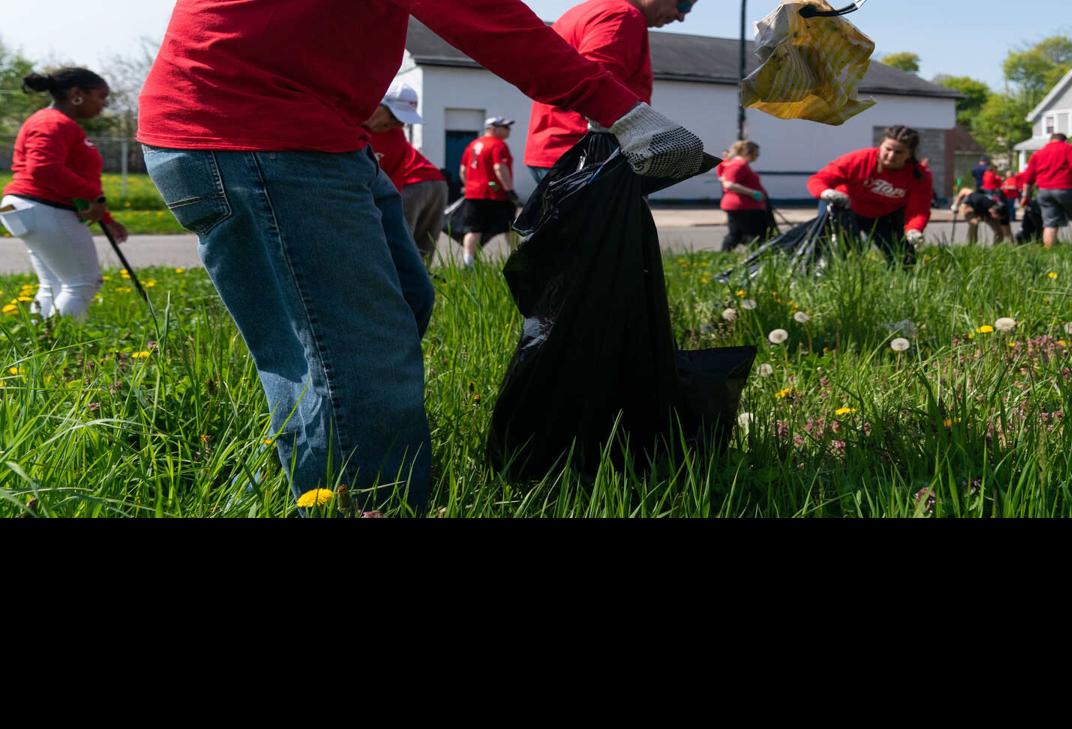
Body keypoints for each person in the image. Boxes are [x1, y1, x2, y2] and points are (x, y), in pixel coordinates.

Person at [137, 0, 706, 514]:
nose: (681, 15)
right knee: (358, 350)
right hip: (254, 131)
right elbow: (481, 13)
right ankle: (366, 504)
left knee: (393, 308)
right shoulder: (618, 16)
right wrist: (620, 108)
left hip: (317, 132)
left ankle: (324, 476)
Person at [0, 67, 128, 321]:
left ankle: (39, 341)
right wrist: (95, 197)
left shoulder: (56, 123)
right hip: (43, 207)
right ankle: (62, 348)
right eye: (101, 96)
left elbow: (74, 178)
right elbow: (44, 169)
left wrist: (106, 217)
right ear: (77, 94)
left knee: (54, 284)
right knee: (83, 282)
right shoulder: (53, 123)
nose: (103, 105)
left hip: (31, 208)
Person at [525, 0, 697, 188]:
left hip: (557, 152)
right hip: (587, 160)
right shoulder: (622, 16)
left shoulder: (590, 10)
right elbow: (597, 88)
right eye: (684, 6)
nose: (681, 17)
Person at [807, 125, 932, 268]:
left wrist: (914, 229)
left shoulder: (919, 176)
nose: (891, 156)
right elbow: (818, 179)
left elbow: (918, 210)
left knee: (904, 258)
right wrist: (826, 192)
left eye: (899, 152)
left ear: (909, 154)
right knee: (843, 253)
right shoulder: (860, 159)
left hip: (885, 215)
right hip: (845, 207)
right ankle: (819, 273)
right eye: (888, 149)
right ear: (881, 146)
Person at [363, 82, 448, 265]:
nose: (398, 123)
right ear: (375, 103)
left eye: (403, 120)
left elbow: (392, 183)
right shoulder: (347, 129)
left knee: (407, 243)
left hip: (419, 183)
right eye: (394, 116)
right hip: (427, 182)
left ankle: (416, 284)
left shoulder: (396, 136)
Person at [1016, 133, 1072, 247]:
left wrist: (1025, 197)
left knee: (1050, 224)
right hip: (1067, 189)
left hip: (1044, 191)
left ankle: (1050, 252)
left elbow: (1028, 178)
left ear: (1050, 140)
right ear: (1064, 140)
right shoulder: (1069, 149)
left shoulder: (1038, 153)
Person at [460, 116, 517, 267]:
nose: (508, 130)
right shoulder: (498, 145)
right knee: (510, 228)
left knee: (474, 229)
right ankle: (518, 261)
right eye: (505, 127)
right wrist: (509, 190)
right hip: (496, 194)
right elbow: (499, 168)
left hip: (473, 194)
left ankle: (468, 263)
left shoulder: (472, 145)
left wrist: (469, 185)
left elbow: (463, 170)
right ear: (493, 128)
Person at [717, 140, 775, 251]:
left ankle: (725, 254)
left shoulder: (740, 164)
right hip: (743, 206)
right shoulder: (739, 164)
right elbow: (729, 184)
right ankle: (756, 257)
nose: (757, 157)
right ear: (748, 152)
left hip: (744, 205)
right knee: (756, 235)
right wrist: (753, 193)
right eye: (756, 154)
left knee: (737, 234)